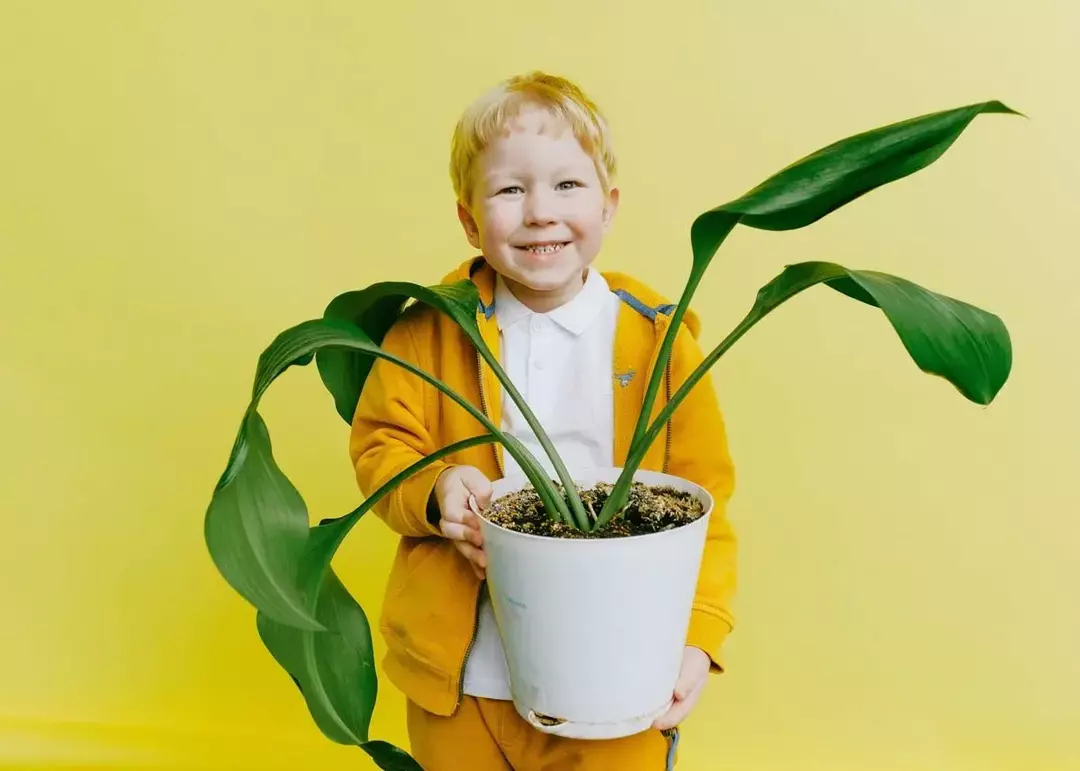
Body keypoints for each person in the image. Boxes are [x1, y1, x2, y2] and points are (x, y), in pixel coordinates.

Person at [350, 70, 737, 771]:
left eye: (567, 185)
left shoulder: (659, 339)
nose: (539, 212)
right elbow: (380, 444)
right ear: (469, 219)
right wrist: (437, 490)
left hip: (617, 676)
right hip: (464, 680)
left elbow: (704, 501)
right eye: (508, 189)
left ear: (609, 206)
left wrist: (698, 635)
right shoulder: (429, 331)